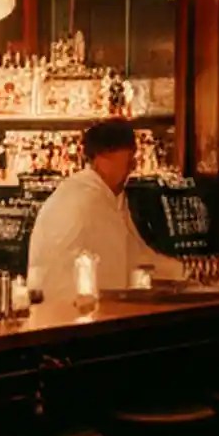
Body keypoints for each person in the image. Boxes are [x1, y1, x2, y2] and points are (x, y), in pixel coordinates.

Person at [26, 119, 181, 305]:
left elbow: (135, 251)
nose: (133, 166)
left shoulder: (100, 193)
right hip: (70, 316)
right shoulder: (87, 199)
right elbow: (124, 262)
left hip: (72, 313)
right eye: (129, 158)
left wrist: (182, 273)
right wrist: (180, 274)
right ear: (103, 158)